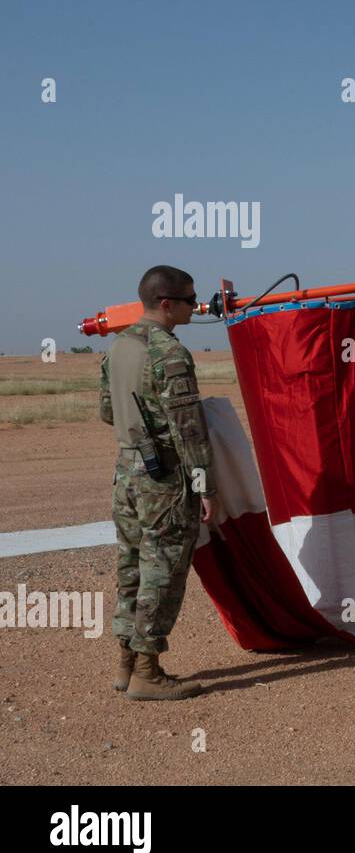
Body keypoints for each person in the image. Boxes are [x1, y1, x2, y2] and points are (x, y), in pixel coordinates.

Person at [98, 265, 217, 700]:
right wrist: (206, 488)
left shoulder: (118, 346)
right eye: (189, 299)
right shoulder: (169, 353)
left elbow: (108, 412)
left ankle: (125, 663)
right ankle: (148, 671)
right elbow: (190, 431)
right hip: (163, 478)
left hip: (126, 472)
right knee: (161, 572)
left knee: (130, 567)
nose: (194, 305)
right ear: (167, 303)